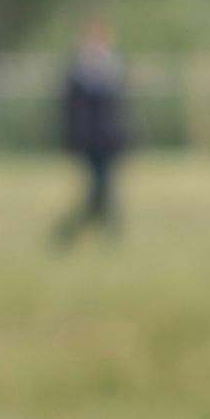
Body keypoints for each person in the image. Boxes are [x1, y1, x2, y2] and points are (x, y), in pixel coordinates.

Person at [53, 15, 129, 246]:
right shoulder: (77, 72)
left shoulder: (114, 68)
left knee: (103, 187)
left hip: (110, 140)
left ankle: (92, 232)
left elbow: (122, 109)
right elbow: (69, 111)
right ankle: (86, 231)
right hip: (87, 140)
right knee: (99, 187)